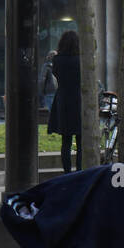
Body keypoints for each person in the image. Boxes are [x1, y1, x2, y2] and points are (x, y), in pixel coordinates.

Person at [47, 29, 82, 172]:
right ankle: (80, 170)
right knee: (81, 141)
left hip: (63, 100)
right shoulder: (81, 59)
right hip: (79, 100)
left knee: (65, 141)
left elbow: (55, 73)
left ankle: (67, 171)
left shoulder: (58, 60)